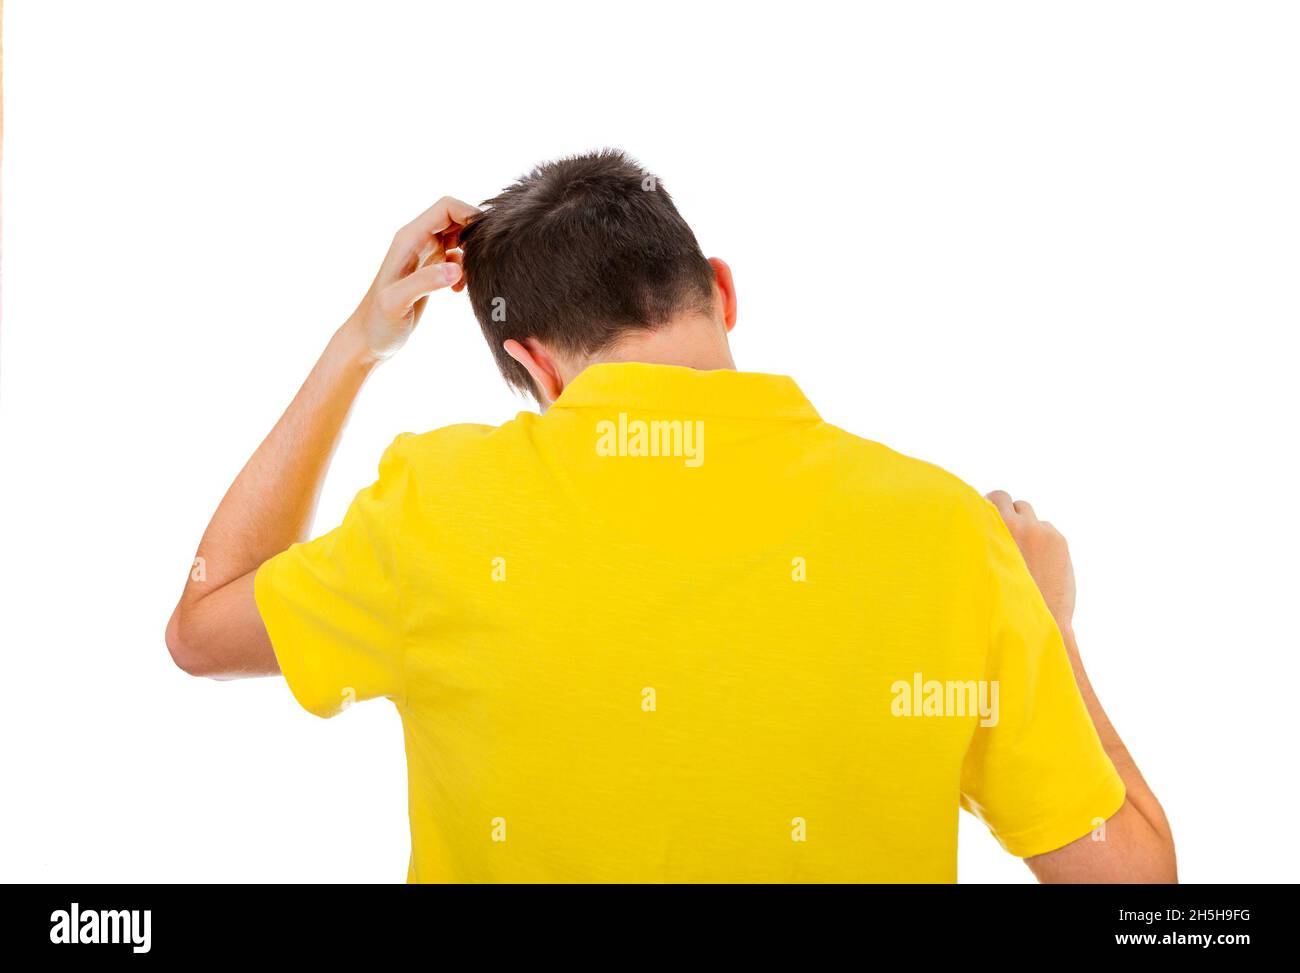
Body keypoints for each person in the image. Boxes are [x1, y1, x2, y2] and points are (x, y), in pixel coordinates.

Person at [165, 149, 1175, 883]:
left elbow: (202, 625)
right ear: (723, 293)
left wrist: (359, 344)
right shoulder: (948, 534)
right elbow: (1134, 893)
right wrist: (1044, 619)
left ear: (533, 366)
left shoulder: (438, 509)